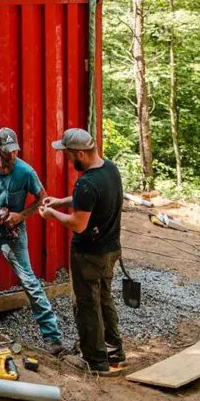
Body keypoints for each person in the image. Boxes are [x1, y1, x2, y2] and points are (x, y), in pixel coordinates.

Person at [40, 127, 125, 374]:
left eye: (68, 155)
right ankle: (114, 353)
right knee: (105, 299)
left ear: (80, 153)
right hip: (110, 249)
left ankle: (95, 361)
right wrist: (61, 200)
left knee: (87, 304)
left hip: (89, 254)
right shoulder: (110, 169)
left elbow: (78, 223)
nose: (67, 160)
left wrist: (52, 213)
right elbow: (89, 201)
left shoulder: (86, 183)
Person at [0, 127, 64, 356]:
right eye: (8, 152)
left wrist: (21, 216)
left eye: (15, 151)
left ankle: (53, 337)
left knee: (29, 280)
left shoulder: (26, 171)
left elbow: (43, 198)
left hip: (14, 230)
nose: (12, 156)